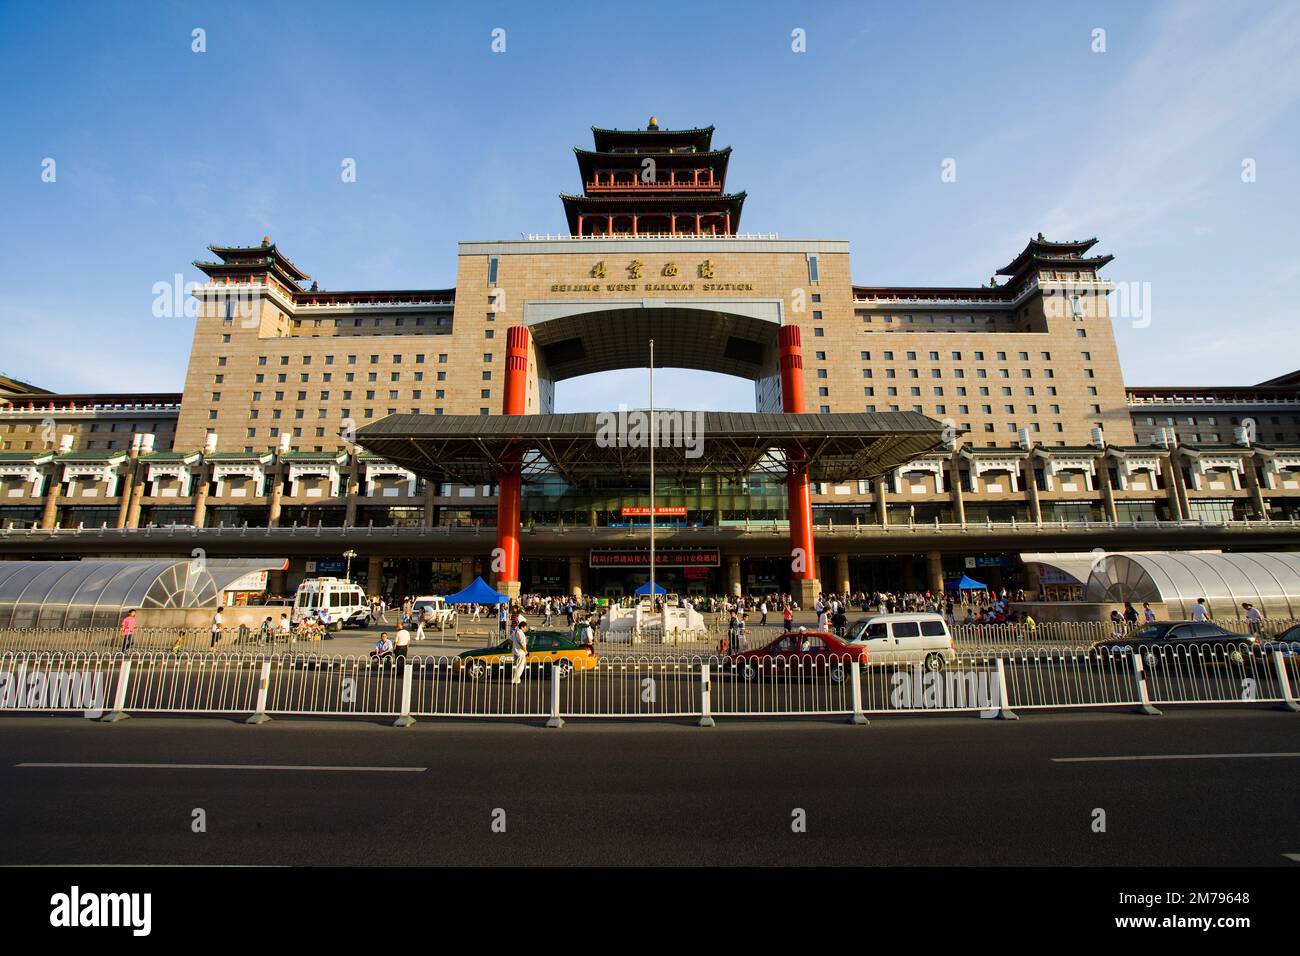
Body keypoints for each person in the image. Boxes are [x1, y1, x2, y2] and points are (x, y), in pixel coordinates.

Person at [509, 620, 529, 685]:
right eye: (525, 627)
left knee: (516, 666)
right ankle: (515, 680)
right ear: (522, 627)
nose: (526, 628)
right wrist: (526, 651)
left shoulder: (515, 632)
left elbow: (509, 639)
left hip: (515, 651)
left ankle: (515, 679)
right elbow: (522, 643)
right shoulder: (521, 634)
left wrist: (514, 644)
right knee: (520, 667)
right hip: (520, 652)